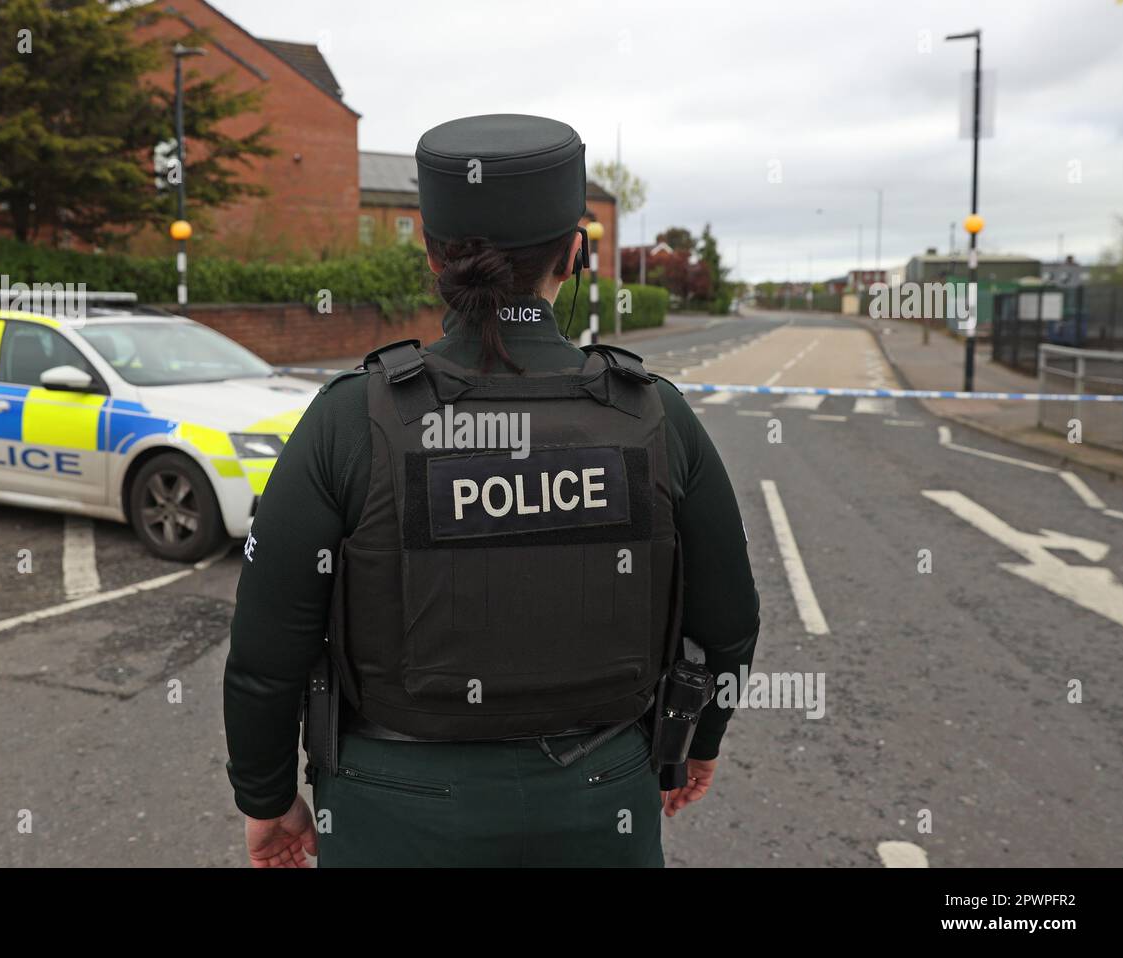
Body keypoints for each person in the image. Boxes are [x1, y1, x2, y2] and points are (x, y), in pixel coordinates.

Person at [224, 113, 759, 868]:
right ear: (574, 255)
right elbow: (731, 620)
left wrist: (268, 801)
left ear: (431, 253)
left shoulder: (350, 417)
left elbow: (266, 652)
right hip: (601, 795)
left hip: (391, 812)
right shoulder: (653, 412)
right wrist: (695, 745)